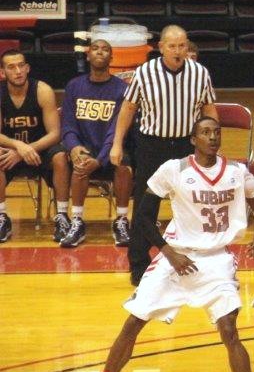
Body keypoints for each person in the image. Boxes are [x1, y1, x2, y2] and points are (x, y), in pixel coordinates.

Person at [64, 116, 254, 372]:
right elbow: (143, 216)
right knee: (133, 322)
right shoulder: (174, 169)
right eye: (205, 132)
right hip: (175, 256)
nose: (212, 137)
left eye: (216, 132)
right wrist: (167, 251)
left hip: (215, 261)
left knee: (229, 330)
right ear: (193, 139)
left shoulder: (237, 172)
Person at [111, 25, 217, 286]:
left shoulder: (200, 73)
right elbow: (128, 108)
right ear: (161, 48)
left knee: (193, 203)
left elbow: (209, 108)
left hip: (185, 145)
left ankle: (198, 259)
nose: (177, 51)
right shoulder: (145, 73)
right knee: (146, 207)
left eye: (182, 45)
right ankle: (139, 267)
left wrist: (214, 143)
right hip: (151, 145)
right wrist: (117, 143)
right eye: (172, 46)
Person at [59, 39, 133, 247]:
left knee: (123, 163)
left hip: (111, 148)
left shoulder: (122, 89)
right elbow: (68, 124)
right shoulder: (74, 86)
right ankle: (77, 221)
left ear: (112, 57)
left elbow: (117, 130)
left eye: (106, 49)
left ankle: (121, 220)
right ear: (88, 55)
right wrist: (74, 147)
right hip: (84, 147)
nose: (100, 52)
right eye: (95, 48)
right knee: (80, 163)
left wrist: (100, 160)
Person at [0, 49, 71, 243]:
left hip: (41, 149)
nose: (18, 71)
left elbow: (55, 134)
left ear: (28, 68)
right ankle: (2, 217)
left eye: (21, 65)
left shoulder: (42, 90)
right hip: (11, 151)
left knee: (60, 157)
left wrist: (27, 149)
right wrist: (18, 147)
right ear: (2, 72)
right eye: (11, 67)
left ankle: (63, 216)